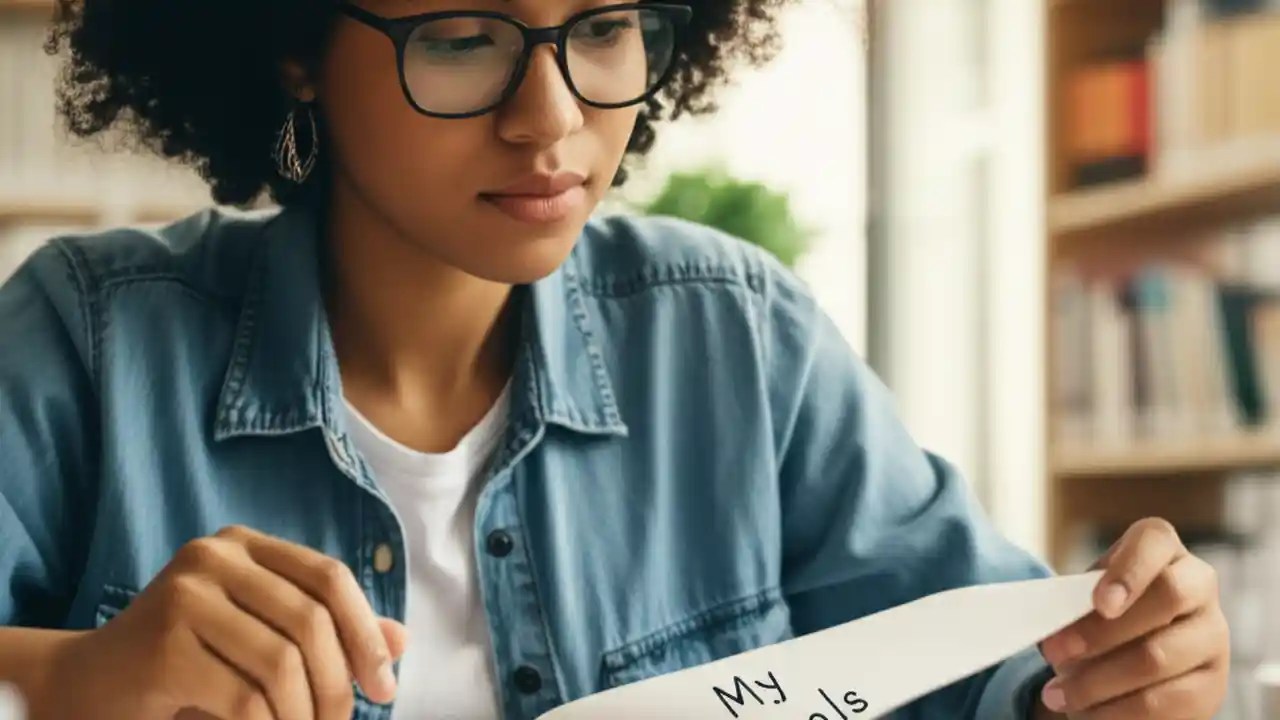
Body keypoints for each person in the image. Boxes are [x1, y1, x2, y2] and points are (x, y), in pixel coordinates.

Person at [0, 0, 1230, 718]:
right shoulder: (89, 342)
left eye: (601, 29)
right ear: (294, 47)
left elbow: (1000, 675)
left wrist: (1128, 673)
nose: (552, 120)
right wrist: (70, 682)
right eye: (460, 40)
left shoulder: (733, 337)